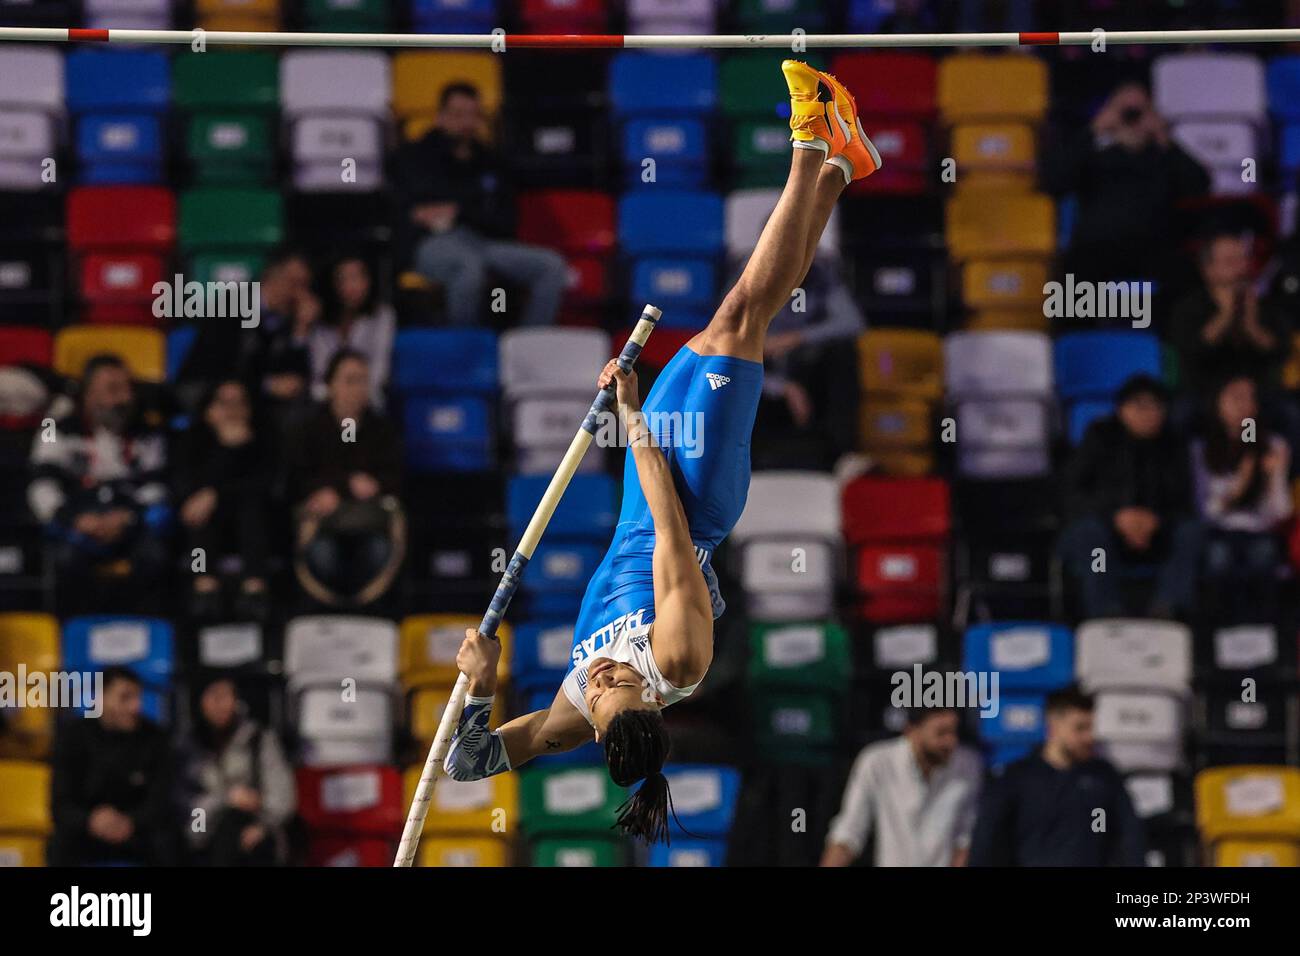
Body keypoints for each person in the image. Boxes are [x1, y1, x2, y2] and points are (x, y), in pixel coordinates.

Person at [442, 61, 882, 844]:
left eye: (600, 690)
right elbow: (673, 530)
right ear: (645, 704)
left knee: (738, 317)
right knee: (743, 317)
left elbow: (467, 763)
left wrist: (481, 686)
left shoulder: (574, 720)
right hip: (692, 495)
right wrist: (631, 417)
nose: (602, 676)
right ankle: (810, 143)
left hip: (646, 493)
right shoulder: (677, 662)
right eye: (617, 685)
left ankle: (843, 160)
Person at [394, 82, 568, 327]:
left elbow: (506, 221)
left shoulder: (492, 162)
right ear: (441, 116)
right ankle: (468, 352)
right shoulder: (414, 155)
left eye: (472, 115)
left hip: (485, 242)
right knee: (469, 268)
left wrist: (459, 211)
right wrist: (458, 211)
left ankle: (526, 346)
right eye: (457, 115)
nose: (465, 123)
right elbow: (409, 211)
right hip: (433, 244)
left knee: (551, 266)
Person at [1041, 80, 1210, 297]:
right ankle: (1075, 331)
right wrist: (1094, 130)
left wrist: (1164, 138)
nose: (1131, 119)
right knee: (1069, 275)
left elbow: (1199, 185)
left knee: (1184, 273)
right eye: (1125, 111)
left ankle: (1173, 329)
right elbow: (1052, 181)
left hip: (1154, 248)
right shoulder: (1093, 155)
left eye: (1139, 111)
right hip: (1097, 249)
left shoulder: (1164, 157)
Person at [27, 354, 170, 604]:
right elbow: (42, 485)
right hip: (78, 521)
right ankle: (75, 632)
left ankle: (148, 629)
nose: (125, 399)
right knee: (64, 559)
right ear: (88, 395)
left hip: (129, 521)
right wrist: (75, 519)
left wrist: (129, 516)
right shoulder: (55, 428)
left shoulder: (147, 432)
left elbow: (156, 486)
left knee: (157, 554)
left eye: (128, 390)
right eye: (113, 390)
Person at [1059, 374, 1204, 619]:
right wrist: (1115, 517)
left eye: (1156, 406)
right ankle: (1104, 612)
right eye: (1140, 406)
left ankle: (1167, 608)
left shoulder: (1174, 443)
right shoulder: (1099, 437)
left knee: (1191, 532)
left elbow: (1185, 501)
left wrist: (1156, 520)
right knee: (1091, 539)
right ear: (1121, 409)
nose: (1148, 413)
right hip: (1105, 534)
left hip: (1157, 536)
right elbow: (1071, 493)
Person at [969, 685, 1145, 866]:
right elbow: (987, 842)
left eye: (1092, 727)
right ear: (1053, 726)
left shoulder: (1104, 777)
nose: (1089, 737)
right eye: (1080, 728)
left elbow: (1128, 838)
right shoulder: (1014, 779)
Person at [286, 350, 404, 606]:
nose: (357, 388)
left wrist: (376, 485)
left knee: (376, 552)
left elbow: (396, 478)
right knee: (323, 556)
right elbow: (295, 479)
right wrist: (337, 488)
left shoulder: (381, 429)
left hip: (369, 523)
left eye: (363, 380)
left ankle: (368, 615)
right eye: (349, 380)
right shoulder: (308, 428)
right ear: (330, 385)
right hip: (321, 524)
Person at [747, 249, 865, 469]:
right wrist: (783, 388)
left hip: (805, 374)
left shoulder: (821, 273)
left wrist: (796, 338)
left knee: (843, 352)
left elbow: (852, 322)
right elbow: (726, 352)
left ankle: (841, 454)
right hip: (763, 379)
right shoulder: (746, 281)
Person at [821, 707, 982, 867]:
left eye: (954, 731)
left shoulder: (968, 764)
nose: (951, 741)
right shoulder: (876, 761)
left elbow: (965, 839)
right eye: (941, 733)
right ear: (911, 730)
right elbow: (849, 833)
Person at [49, 667, 177, 866]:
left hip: (136, 828)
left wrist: (131, 821)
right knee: (59, 843)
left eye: (138, 698)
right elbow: (60, 805)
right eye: (125, 698)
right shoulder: (73, 737)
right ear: (101, 698)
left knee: (168, 840)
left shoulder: (155, 738)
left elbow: (161, 801)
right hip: (88, 829)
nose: (136, 706)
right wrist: (90, 821)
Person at [1192, 374, 1292, 621]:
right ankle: (1219, 642)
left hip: (1259, 530)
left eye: (1250, 399)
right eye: (1236, 397)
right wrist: (1240, 486)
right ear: (1218, 403)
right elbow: (1207, 512)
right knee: (1219, 560)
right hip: (1219, 531)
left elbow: (1281, 513)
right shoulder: (1201, 449)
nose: (1244, 406)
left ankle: (1264, 641)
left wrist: (1274, 478)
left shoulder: (1274, 445)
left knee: (1263, 557)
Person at [174, 379, 272, 621]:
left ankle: (254, 590)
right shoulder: (192, 440)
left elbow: (265, 486)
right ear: (209, 409)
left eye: (239, 403)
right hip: (206, 530)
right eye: (225, 403)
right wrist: (226, 449)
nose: (232, 411)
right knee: (200, 514)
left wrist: (216, 493)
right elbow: (185, 487)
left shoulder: (263, 440)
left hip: (254, 527)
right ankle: (203, 586)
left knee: (251, 510)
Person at [175, 675, 296, 866]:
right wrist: (226, 799)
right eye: (213, 696)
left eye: (226, 696)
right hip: (203, 831)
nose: (220, 704)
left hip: (256, 829)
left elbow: (282, 797)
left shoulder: (259, 739)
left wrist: (262, 826)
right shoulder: (188, 746)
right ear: (199, 701)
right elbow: (185, 805)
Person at [1171, 232, 1290, 397]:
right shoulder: (1188, 308)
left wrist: (1253, 327)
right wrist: (1224, 317)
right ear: (1208, 270)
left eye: (1244, 259)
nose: (1241, 268)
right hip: (1204, 396)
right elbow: (1191, 352)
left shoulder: (1267, 305)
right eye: (1230, 262)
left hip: (1260, 397)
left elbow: (1281, 352)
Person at [309, 254, 396, 409]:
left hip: (368, 401)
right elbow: (319, 374)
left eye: (358, 277)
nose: (353, 286)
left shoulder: (383, 316)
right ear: (333, 284)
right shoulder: (320, 322)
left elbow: (379, 372)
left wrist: (354, 395)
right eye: (344, 279)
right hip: (327, 403)